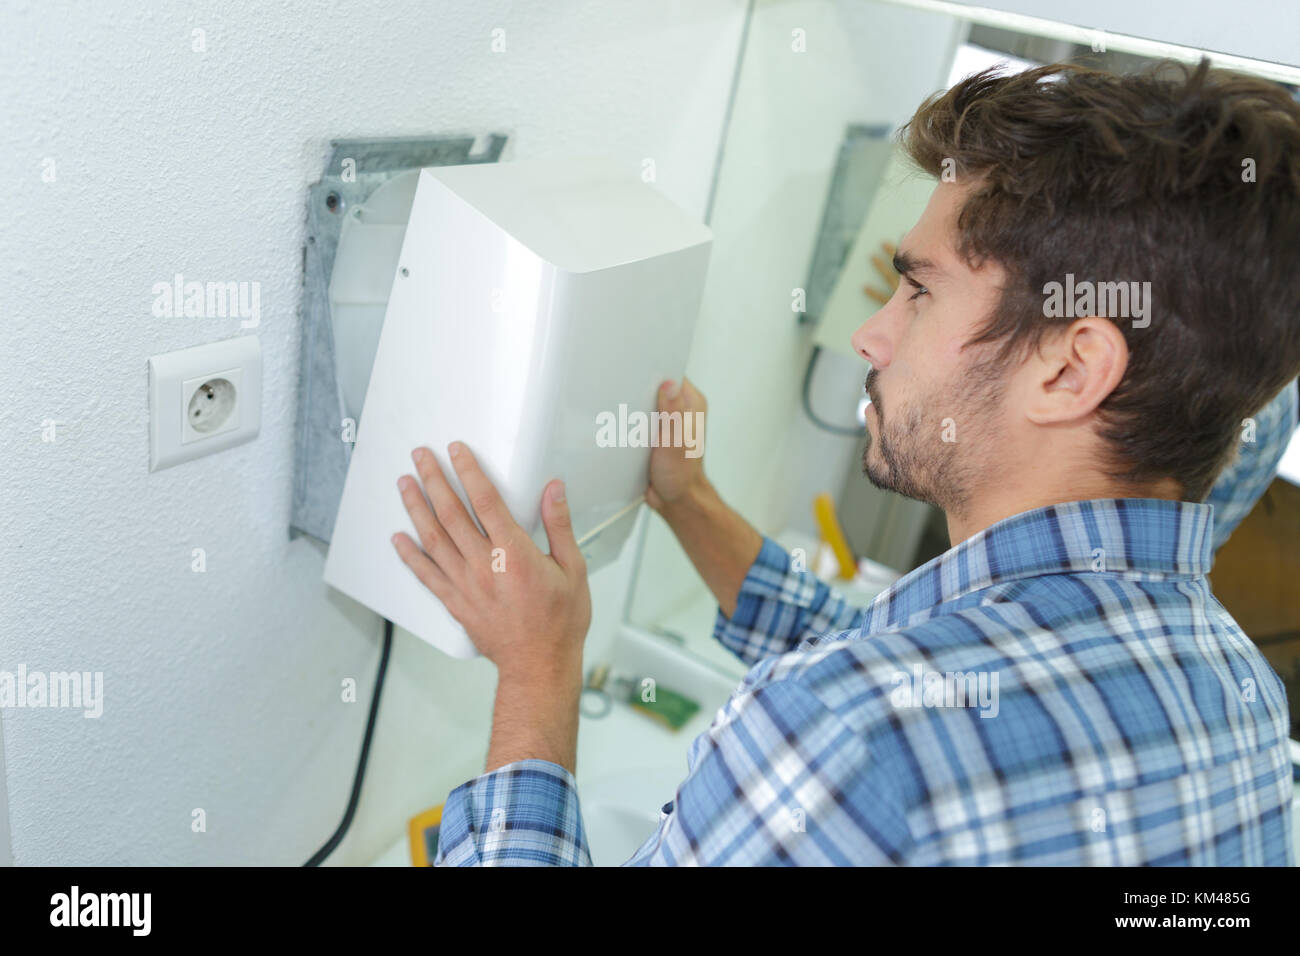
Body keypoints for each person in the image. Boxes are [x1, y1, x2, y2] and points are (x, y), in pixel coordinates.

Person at [392, 60, 1300, 865]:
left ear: (1069, 368)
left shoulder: (843, 733)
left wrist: (536, 671)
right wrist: (690, 500)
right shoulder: (1240, 691)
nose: (872, 334)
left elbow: (864, 714)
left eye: (917, 290)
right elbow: (881, 659)